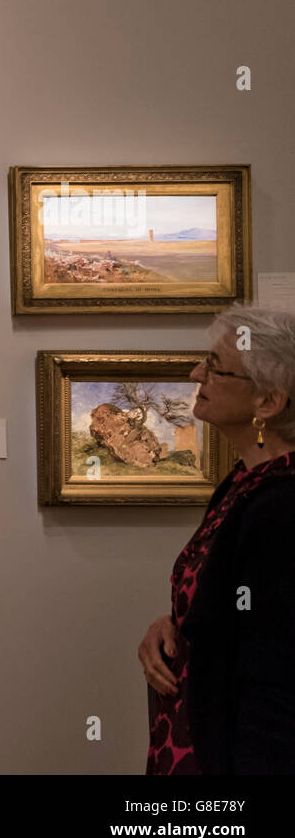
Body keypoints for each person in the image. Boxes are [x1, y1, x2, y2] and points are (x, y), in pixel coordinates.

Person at [139, 305, 295, 773]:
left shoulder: (281, 507)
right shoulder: (244, 485)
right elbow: (234, 618)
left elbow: (274, 682)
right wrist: (171, 628)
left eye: (214, 366)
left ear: (268, 403)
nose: (195, 373)